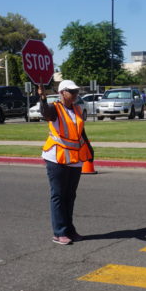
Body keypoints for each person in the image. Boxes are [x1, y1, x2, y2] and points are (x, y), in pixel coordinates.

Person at [39, 80, 93, 246]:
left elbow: (81, 133)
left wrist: (90, 151)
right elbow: (45, 114)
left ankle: (69, 229)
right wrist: (42, 97)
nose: (76, 94)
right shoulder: (55, 108)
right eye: (72, 91)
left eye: (76, 91)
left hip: (74, 158)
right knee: (59, 195)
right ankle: (59, 232)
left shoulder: (76, 109)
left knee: (70, 196)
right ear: (62, 92)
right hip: (56, 157)